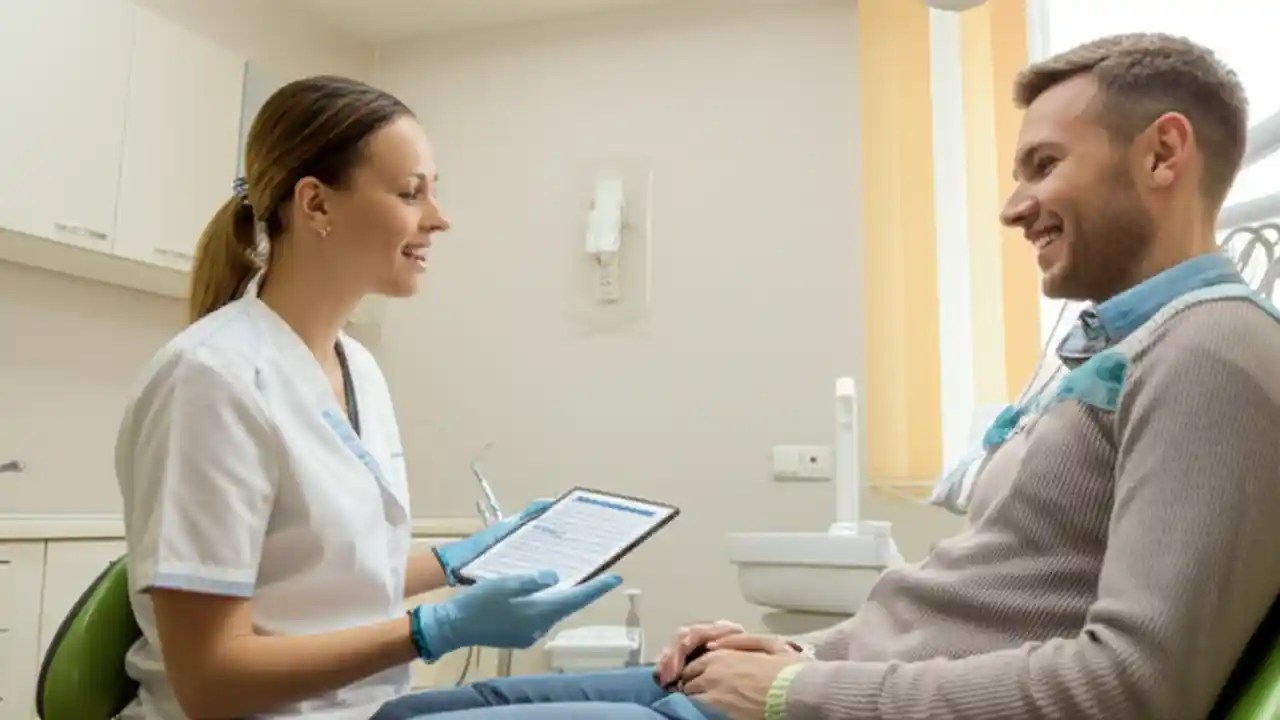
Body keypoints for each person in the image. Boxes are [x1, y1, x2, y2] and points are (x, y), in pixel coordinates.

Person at [369, 31, 1280, 720]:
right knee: (408, 709)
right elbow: (974, 611)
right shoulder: (1120, 350)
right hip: (821, 684)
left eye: (1044, 166)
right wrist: (789, 647)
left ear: (1164, 154)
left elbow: (1132, 686)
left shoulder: (1213, 353)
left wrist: (798, 689)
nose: (1013, 206)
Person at [113, 75, 622, 720]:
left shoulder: (357, 367)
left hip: (361, 707)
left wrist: (457, 562)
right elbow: (211, 682)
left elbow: (313, 577)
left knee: (667, 695)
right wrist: (430, 631)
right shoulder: (212, 379)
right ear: (316, 206)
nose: (439, 218)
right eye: (412, 193)